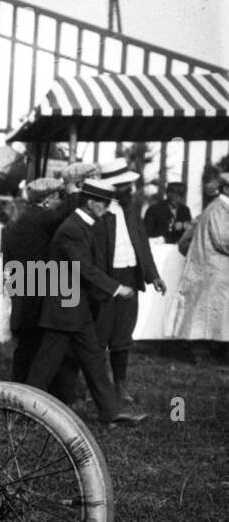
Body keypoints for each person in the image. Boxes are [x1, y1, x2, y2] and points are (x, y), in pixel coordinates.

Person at [27, 179, 145, 427]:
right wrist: (116, 288)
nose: (107, 209)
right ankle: (24, 410)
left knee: (94, 360)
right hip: (63, 309)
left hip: (77, 309)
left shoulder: (85, 225)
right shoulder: (72, 229)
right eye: (104, 204)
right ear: (91, 203)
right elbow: (84, 268)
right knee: (44, 367)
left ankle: (111, 412)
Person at [94, 158, 165, 404]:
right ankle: (96, 387)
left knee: (123, 337)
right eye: (124, 185)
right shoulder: (99, 211)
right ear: (113, 186)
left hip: (131, 278)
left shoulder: (131, 208)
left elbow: (143, 243)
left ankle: (120, 386)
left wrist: (153, 275)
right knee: (99, 335)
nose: (130, 189)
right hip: (105, 280)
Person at [5, 178, 74, 391]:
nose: (59, 203)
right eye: (58, 198)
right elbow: (71, 216)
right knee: (39, 344)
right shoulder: (44, 218)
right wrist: (74, 191)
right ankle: (36, 391)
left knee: (26, 345)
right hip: (37, 291)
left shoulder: (25, 218)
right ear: (47, 200)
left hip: (23, 288)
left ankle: (20, 387)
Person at [172, 170, 229, 343]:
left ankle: (206, 349)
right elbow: (222, 239)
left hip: (210, 268)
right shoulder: (219, 209)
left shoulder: (215, 207)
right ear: (226, 189)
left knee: (204, 311)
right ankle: (205, 350)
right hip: (215, 268)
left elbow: (185, 240)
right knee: (210, 312)